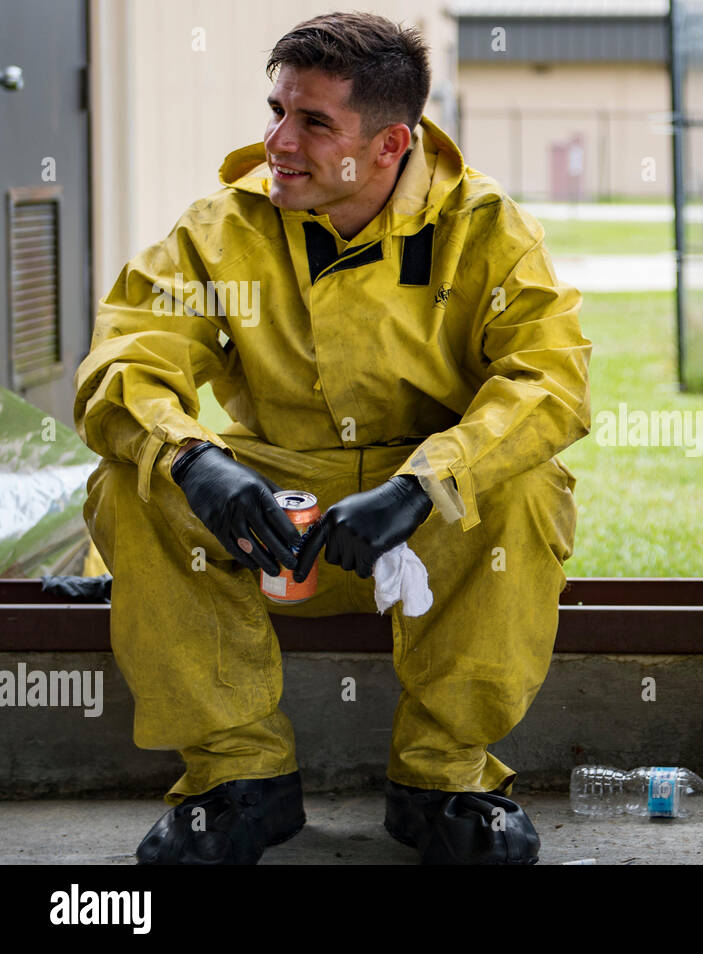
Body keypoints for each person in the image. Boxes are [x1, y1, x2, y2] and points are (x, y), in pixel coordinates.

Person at [74, 12, 590, 865]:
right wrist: (195, 459)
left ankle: (447, 781)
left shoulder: (487, 228)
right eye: (275, 110)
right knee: (130, 477)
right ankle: (238, 783)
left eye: (314, 122)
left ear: (391, 145)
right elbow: (127, 359)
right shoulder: (220, 229)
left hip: (422, 518)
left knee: (526, 481)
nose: (278, 140)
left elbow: (548, 382)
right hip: (270, 515)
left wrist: (426, 481)